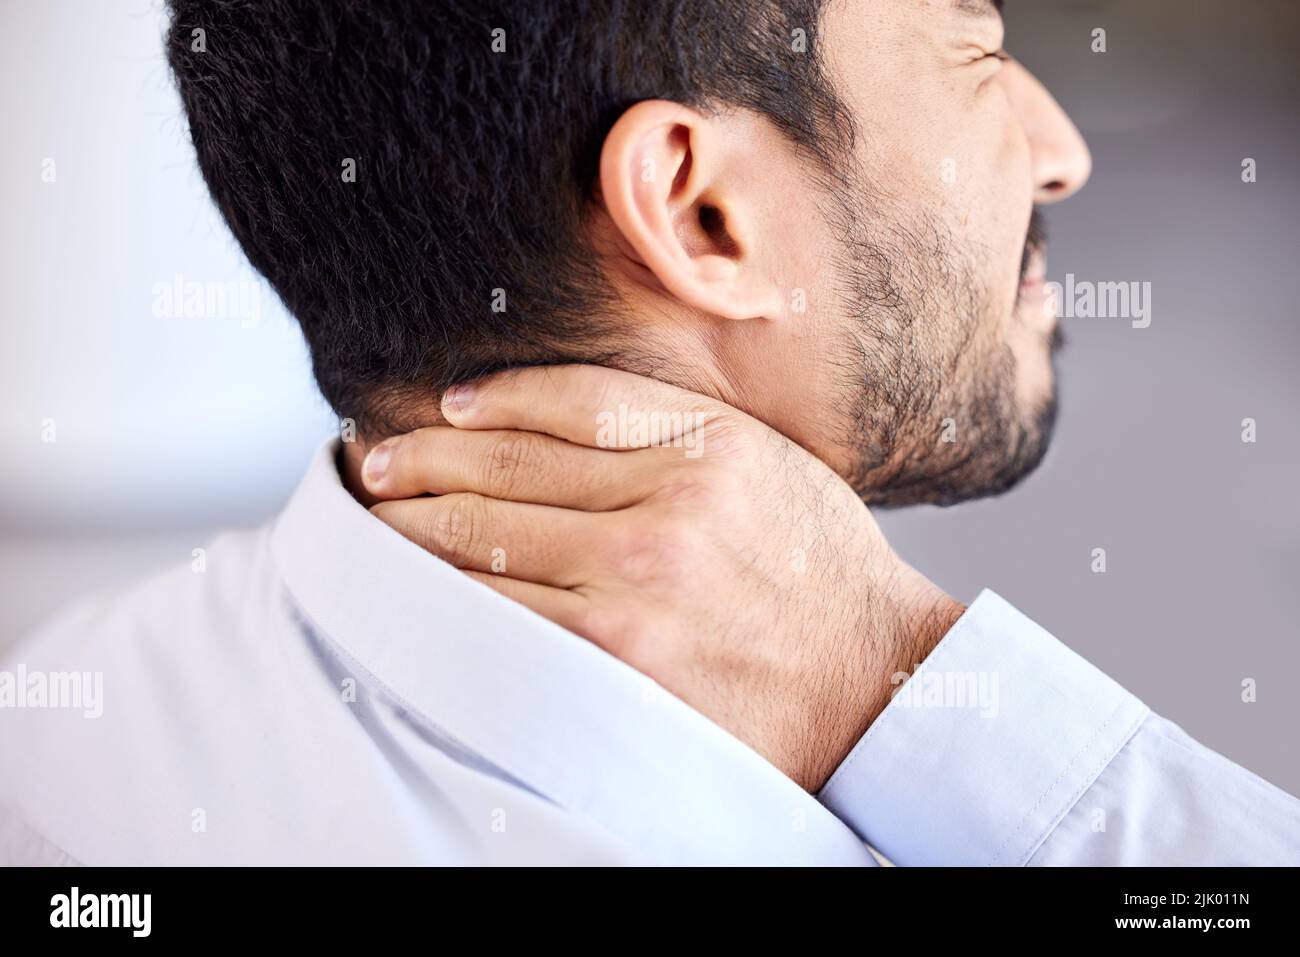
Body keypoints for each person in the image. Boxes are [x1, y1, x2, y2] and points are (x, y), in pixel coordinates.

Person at [1, 0, 1295, 865]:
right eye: (974, 50)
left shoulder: (54, 709)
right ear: (702, 214)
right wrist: (899, 690)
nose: (1060, 149)